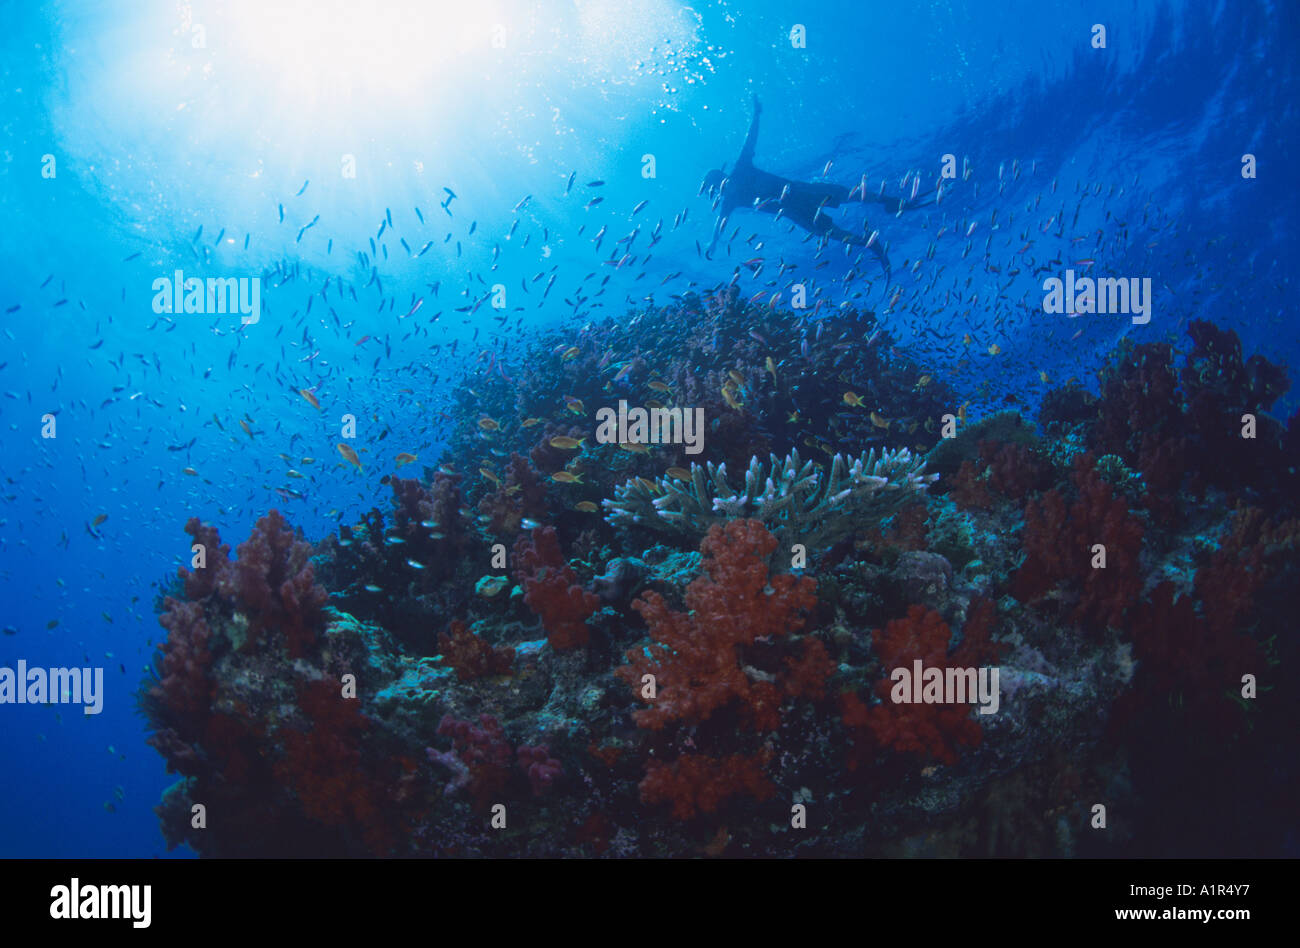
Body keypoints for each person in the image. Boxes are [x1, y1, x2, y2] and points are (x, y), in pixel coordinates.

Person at [702, 95, 932, 280]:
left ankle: (890, 206)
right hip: (796, 207)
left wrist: (757, 114)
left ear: (720, 181)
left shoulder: (739, 173)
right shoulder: (731, 196)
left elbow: (749, 140)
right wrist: (713, 241)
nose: (720, 191)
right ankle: (872, 241)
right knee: (833, 222)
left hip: (800, 196)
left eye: (717, 187)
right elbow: (719, 224)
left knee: (845, 199)